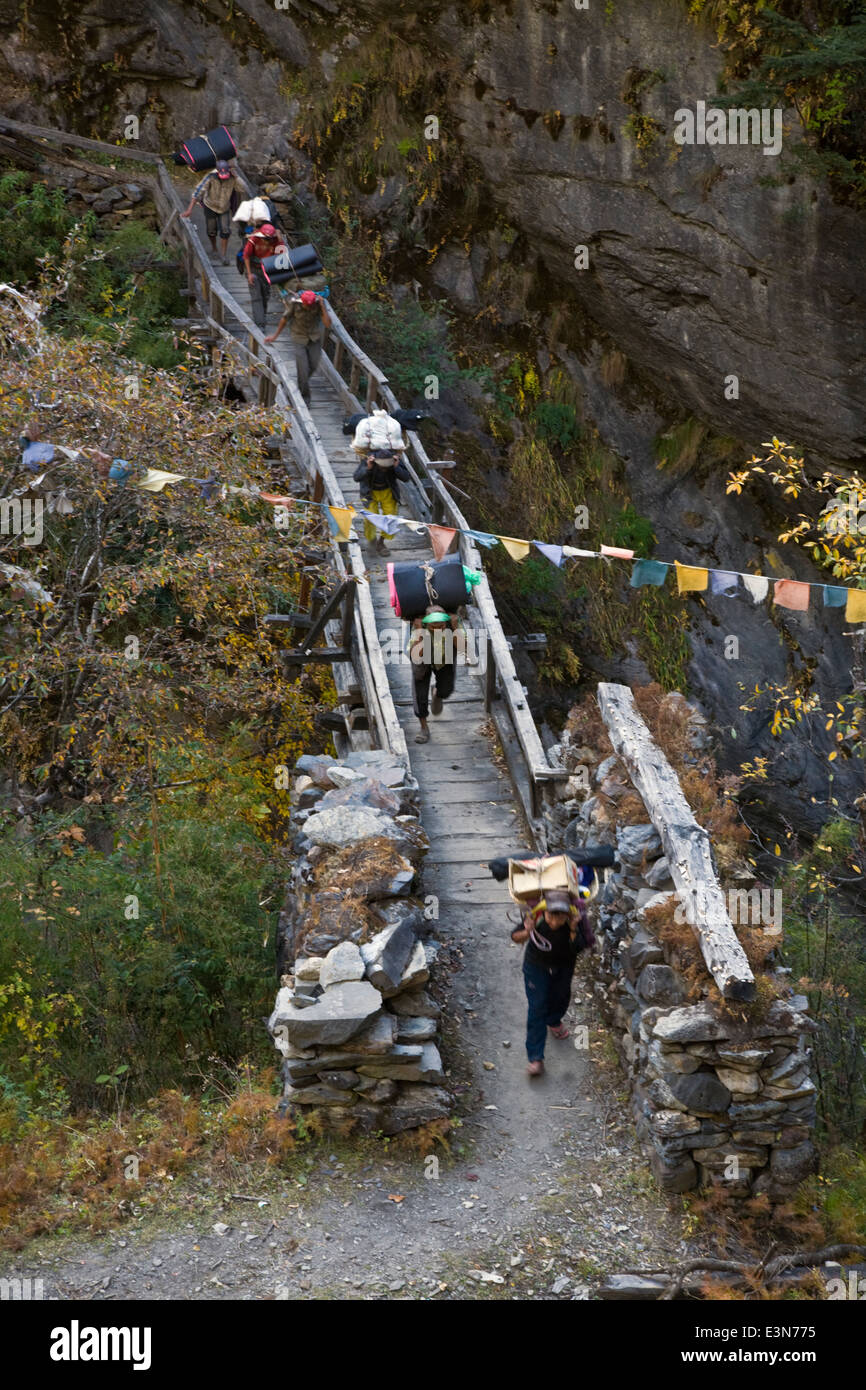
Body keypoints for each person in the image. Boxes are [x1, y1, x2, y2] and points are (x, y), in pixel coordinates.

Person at [510, 881, 595, 1076]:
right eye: (551, 917)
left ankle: (554, 1020)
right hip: (535, 965)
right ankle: (535, 1058)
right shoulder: (535, 917)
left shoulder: (574, 922)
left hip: (563, 965)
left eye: (560, 918)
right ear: (544, 912)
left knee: (561, 997)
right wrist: (528, 930)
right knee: (537, 1007)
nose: (555, 923)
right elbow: (515, 937)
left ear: (568, 915)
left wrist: (573, 929)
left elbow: (579, 948)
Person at [350, 408, 409, 553]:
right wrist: (368, 469)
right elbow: (356, 477)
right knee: (370, 518)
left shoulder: (394, 460)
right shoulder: (368, 461)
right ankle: (371, 539)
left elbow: (406, 478)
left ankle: (382, 542)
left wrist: (395, 467)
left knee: (390, 518)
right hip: (369, 493)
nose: (384, 468)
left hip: (388, 491)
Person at [264, 288, 330, 403]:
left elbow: (327, 324)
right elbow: (284, 319)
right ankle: (305, 398)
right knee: (303, 369)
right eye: (306, 306)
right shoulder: (294, 305)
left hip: (314, 338)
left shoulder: (318, 305)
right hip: (298, 338)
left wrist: (323, 306)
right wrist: (274, 337)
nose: (309, 308)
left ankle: (300, 384)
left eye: (311, 306)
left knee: (313, 366)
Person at [409, 606, 462, 744]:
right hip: (421, 661)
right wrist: (421, 634)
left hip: (444, 659)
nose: (438, 630)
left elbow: (464, 648)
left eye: (442, 626)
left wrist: (455, 629)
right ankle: (423, 728)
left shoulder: (453, 624)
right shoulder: (419, 627)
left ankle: (437, 693)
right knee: (420, 696)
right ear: (427, 624)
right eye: (434, 627)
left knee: (446, 690)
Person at [181, 160, 241, 264]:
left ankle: (223, 255)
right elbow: (198, 191)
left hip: (224, 208)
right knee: (211, 230)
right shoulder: (211, 177)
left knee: (225, 231)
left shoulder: (232, 177)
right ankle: (214, 248)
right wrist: (189, 210)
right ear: (217, 172)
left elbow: (242, 189)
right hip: (210, 206)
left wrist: (237, 177)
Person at [242, 223, 284, 333]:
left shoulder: (276, 241)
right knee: (256, 296)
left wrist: (279, 240)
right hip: (254, 269)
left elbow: (282, 255)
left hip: (267, 270)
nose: (267, 241)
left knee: (265, 295)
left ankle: (261, 317)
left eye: (269, 239)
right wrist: (249, 274)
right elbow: (246, 256)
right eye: (265, 239)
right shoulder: (254, 240)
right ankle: (260, 324)